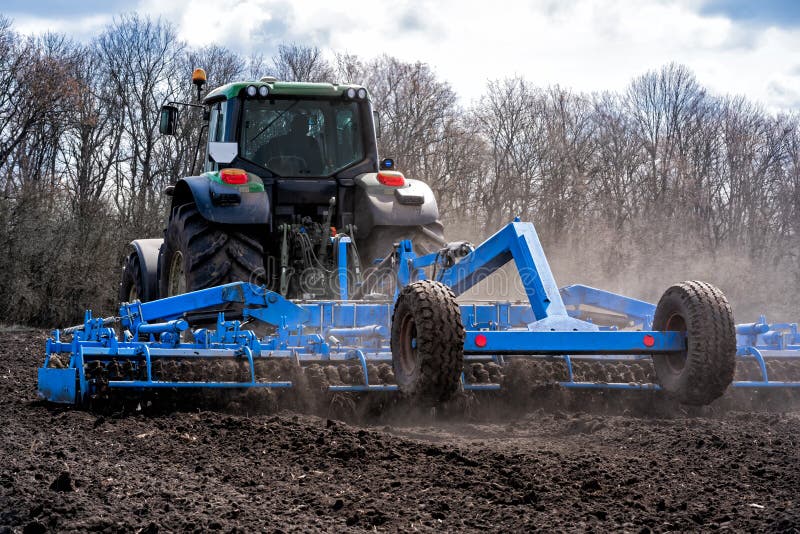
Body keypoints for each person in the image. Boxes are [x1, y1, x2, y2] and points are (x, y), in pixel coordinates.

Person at [257, 114, 323, 175]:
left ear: (291, 126)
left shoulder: (276, 142)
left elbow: (257, 162)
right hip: (306, 183)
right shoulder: (312, 143)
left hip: (277, 180)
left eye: (303, 125)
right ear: (307, 129)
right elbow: (319, 169)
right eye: (304, 125)